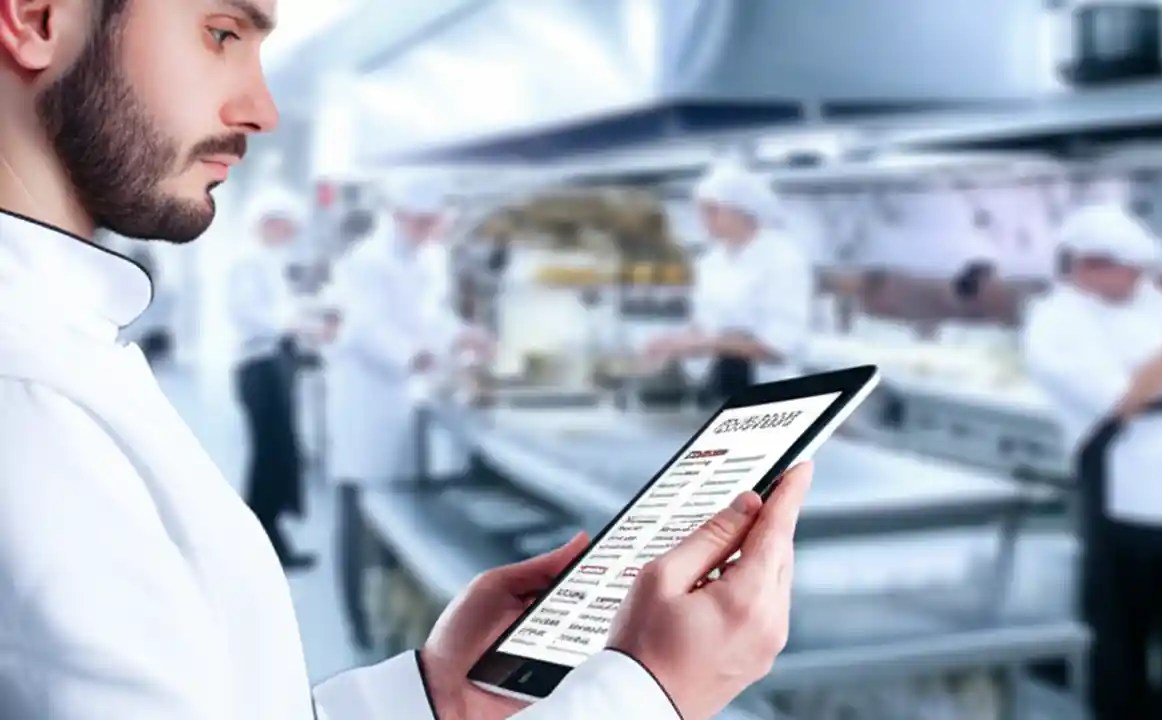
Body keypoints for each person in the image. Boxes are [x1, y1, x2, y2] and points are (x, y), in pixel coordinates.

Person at [0, 2, 813, 718]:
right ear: (37, 19)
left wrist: (431, 697)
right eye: (220, 32)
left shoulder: (63, 352)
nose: (262, 108)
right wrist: (649, 692)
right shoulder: (30, 407)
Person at [1022, 203, 1162, 720]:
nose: (1140, 280)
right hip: (1131, 506)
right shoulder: (1056, 321)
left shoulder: (1149, 300)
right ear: (1086, 265)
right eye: (1129, 269)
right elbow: (1121, 401)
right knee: (1121, 649)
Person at [326, 173, 490, 650]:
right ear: (398, 217)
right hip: (367, 403)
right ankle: (357, 619)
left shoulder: (430, 258)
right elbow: (364, 329)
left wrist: (461, 336)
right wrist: (417, 356)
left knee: (401, 512)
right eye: (420, 222)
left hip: (409, 401)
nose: (427, 231)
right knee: (359, 510)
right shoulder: (365, 262)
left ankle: (395, 608)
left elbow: (431, 315)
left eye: (433, 223)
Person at [647, 163, 812, 407]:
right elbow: (704, 322)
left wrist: (705, 343)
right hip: (714, 386)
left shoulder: (782, 259)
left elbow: (779, 345)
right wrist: (672, 343)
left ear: (741, 211)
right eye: (702, 211)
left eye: (712, 211)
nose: (704, 220)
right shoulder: (711, 260)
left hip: (767, 392)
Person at [228, 187, 314, 570]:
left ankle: (270, 543)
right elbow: (248, 314)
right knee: (268, 457)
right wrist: (289, 325)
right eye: (285, 226)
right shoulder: (248, 261)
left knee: (278, 456)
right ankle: (260, 547)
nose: (289, 233)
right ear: (269, 223)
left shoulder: (269, 262)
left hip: (274, 365)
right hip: (259, 368)